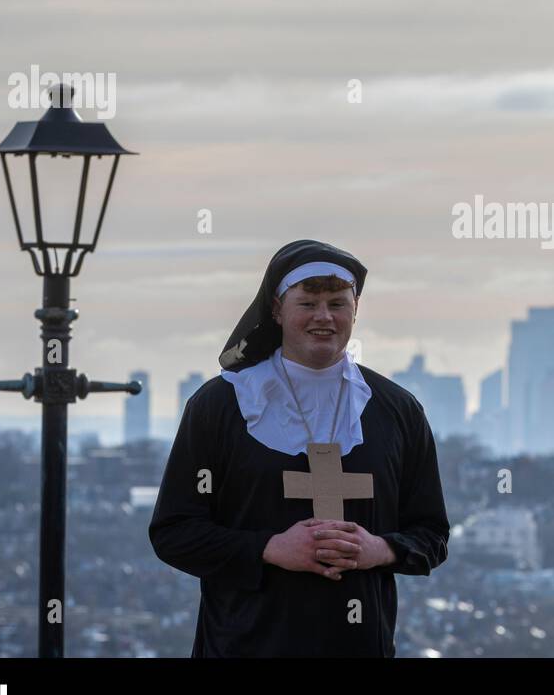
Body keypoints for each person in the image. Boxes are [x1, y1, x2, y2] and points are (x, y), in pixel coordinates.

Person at [149, 240, 449, 656]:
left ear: (356, 309)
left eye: (337, 304)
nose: (323, 317)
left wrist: (378, 549)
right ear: (276, 310)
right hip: (246, 644)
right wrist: (270, 548)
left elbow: (432, 534)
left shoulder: (398, 410)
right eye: (307, 303)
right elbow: (174, 532)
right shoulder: (221, 405)